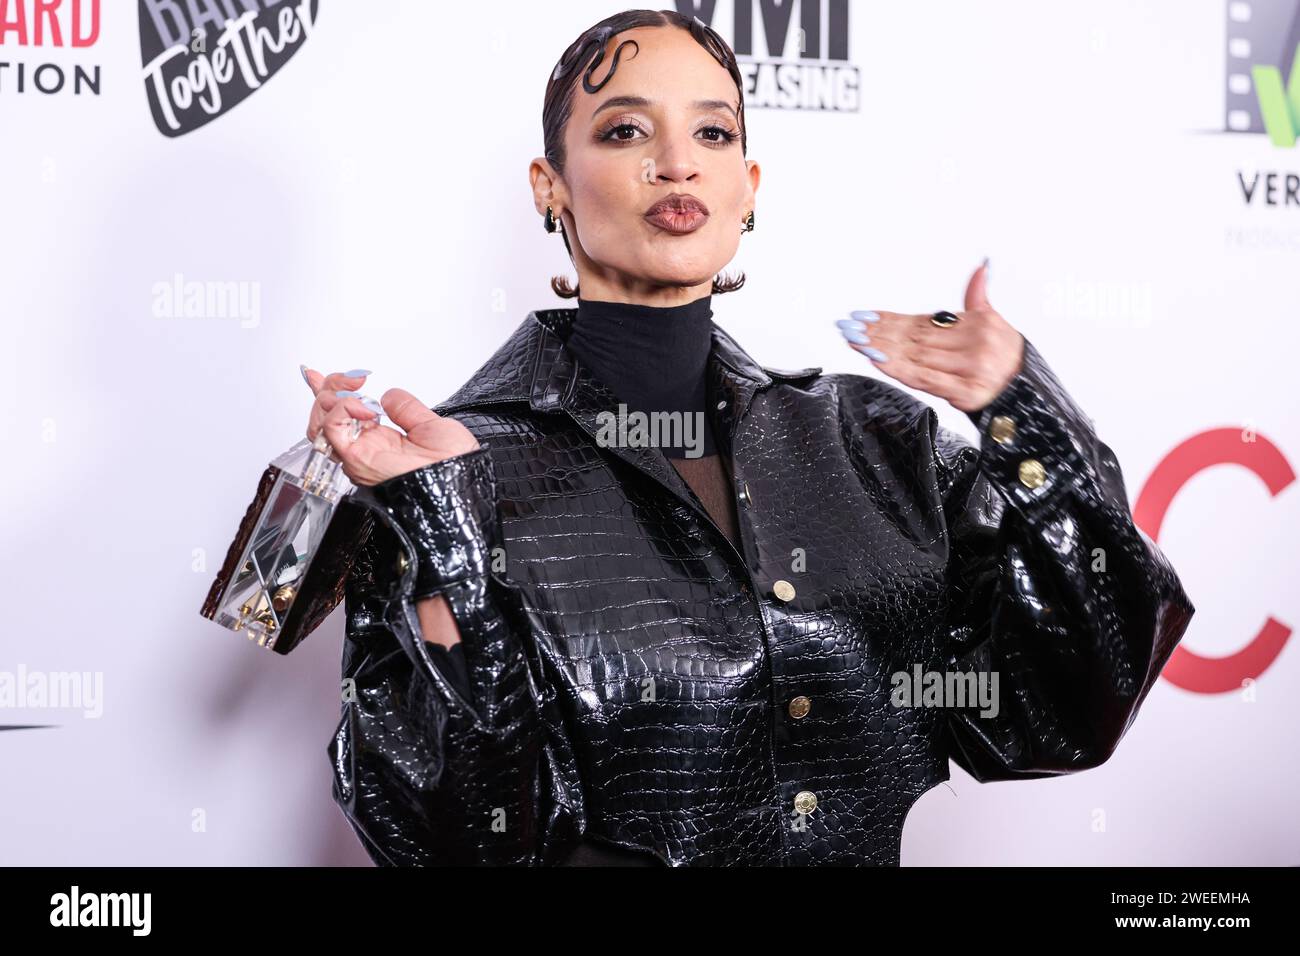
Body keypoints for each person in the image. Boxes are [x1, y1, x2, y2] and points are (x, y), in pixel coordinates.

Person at [305, 9, 1194, 866]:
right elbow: (455, 838)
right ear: (550, 185)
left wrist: (1025, 415)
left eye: (713, 135)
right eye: (624, 132)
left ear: (750, 187)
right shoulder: (448, 474)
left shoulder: (878, 441)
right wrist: (446, 537)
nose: (675, 166)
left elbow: (1068, 711)